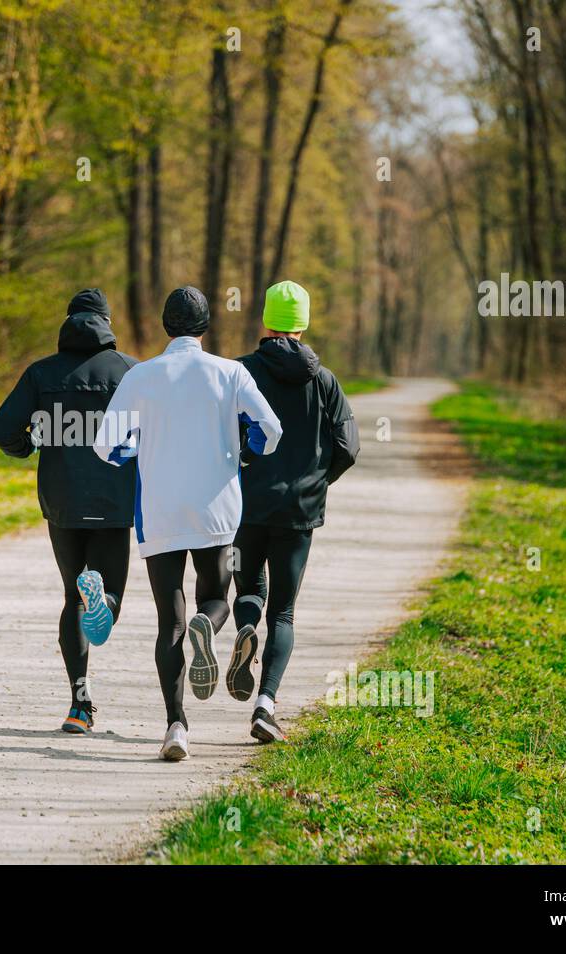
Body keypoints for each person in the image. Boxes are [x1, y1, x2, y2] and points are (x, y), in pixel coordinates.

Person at [93, 286, 281, 761]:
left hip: (159, 511)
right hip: (216, 510)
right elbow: (271, 430)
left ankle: (176, 726)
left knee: (167, 621)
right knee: (217, 597)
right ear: (205, 329)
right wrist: (245, 450)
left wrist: (140, 451)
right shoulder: (231, 372)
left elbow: (105, 446)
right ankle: (208, 624)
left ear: (165, 326)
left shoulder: (141, 376)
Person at [0, 289, 137, 734]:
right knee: (109, 595)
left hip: (63, 504)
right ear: (108, 322)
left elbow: (4, 430)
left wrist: (29, 443)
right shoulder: (131, 372)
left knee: (72, 600)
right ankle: (106, 598)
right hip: (115, 503)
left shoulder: (42, 373)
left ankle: (80, 703)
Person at [227, 281, 360, 743]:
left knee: (249, 588)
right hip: (298, 513)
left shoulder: (239, 373)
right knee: (283, 612)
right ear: (303, 324)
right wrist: (317, 481)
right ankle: (265, 705)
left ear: (266, 321)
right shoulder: (325, 382)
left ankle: (245, 629)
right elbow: (348, 447)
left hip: (246, 506)